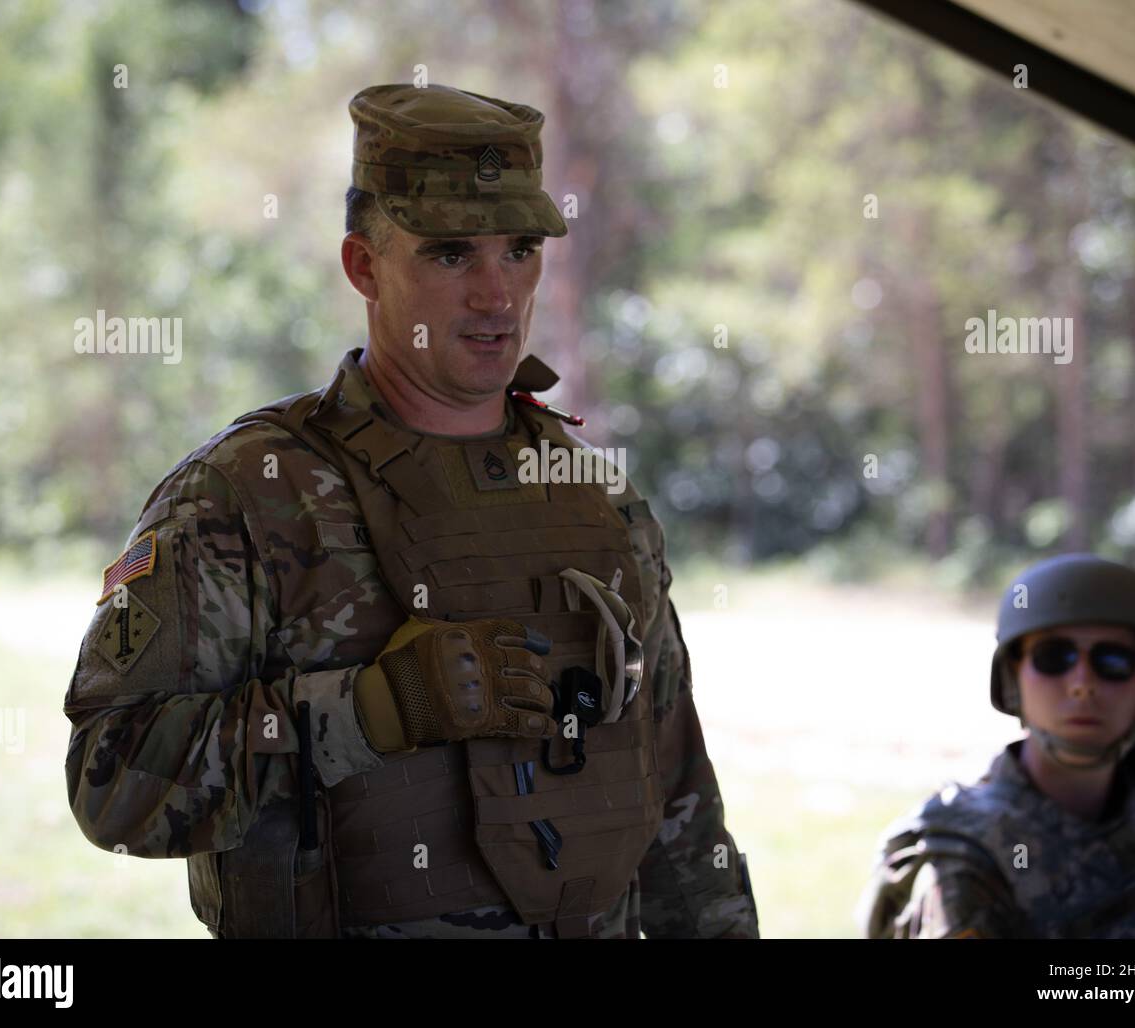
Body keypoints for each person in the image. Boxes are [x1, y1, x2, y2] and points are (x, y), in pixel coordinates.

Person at [62, 82, 758, 939]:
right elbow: (111, 783)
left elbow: (679, 799)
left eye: (520, 250)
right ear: (364, 266)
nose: (497, 295)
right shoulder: (246, 494)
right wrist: (368, 712)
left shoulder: (596, 493)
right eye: (452, 254)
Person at [860, 553, 1135, 939]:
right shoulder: (968, 855)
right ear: (1012, 680)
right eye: (1054, 657)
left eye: (1113, 661)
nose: (1082, 684)